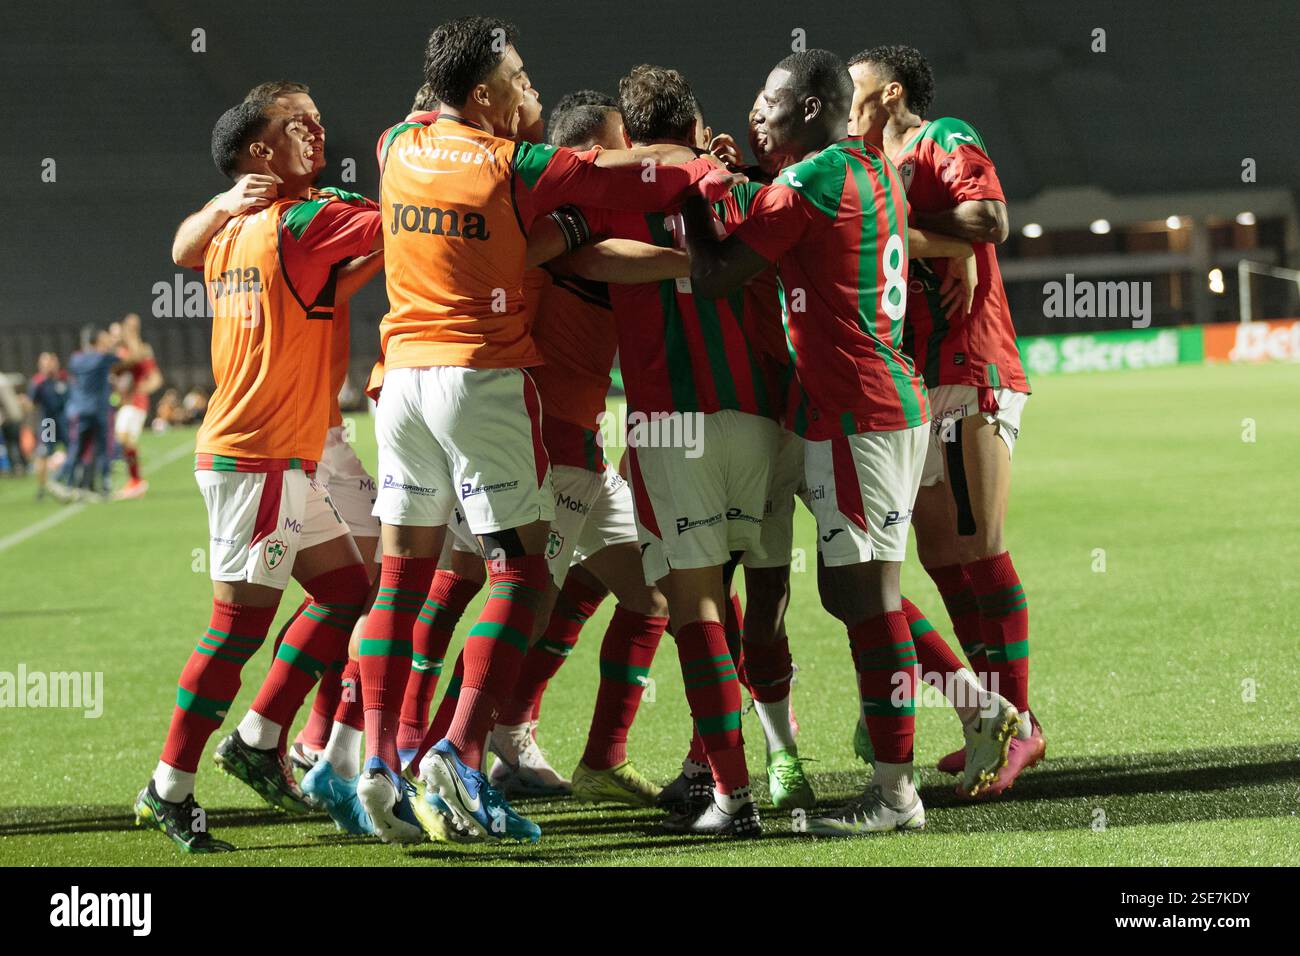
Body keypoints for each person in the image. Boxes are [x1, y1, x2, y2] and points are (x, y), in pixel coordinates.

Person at [360, 15, 733, 846]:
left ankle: (383, 761)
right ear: (486, 95)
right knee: (521, 578)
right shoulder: (515, 166)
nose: (528, 88)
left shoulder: (395, 145)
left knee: (409, 585)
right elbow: (616, 178)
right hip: (485, 383)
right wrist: (695, 166)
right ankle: (458, 752)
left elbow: (545, 225)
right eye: (519, 78)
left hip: (401, 380)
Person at [681, 49, 1017, 835]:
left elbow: (717, 273)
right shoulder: (869, 170)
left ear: (806, 108)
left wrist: (697, 188)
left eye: (769, 100)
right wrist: (745, 183)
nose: (756, 112)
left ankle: (896, 795)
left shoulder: (814, 179)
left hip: (854, 413)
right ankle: (973, 706)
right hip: (875, 404)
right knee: (858, 593)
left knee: (866, 602)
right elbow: (802, 224)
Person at [135, 96, 383, 853]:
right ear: (256, 154)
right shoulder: (294, 224)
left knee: (347, 589)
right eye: (293, 124)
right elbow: (409, 225)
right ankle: (168, 786)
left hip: (280, 459)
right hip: (258, 458)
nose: (315, 128)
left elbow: (325, 288)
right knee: (237, 627)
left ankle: (256, 737)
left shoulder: (231, 232)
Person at [847, 45, 1043, 795]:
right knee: (940, 557)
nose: (847, 98)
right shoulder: (864, 166)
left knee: (983, 548)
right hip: (921, 380)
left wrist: (920, 218)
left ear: (891, 91)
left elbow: (989, 217)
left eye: (857, 88)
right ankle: (991, 713)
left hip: (972, 366)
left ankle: (1018, 726)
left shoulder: (944, 138)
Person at [50, 327, 118, 500]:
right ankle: (103, 485)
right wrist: (115, 339)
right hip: (98, 409)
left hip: (77, 410)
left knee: (76, 448)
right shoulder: (102, 358)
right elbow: (121, 358)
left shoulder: (76, 359)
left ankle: (63, 480)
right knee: (103, 449)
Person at [112, 312, 162, 499]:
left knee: (124, 437)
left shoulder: (139, 351)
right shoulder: (119, 352)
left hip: (136, 402)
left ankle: (135, 480)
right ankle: (135, 480)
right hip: (125, 403)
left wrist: (143, 388)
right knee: (125, 440)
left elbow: (155, 378)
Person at [26, 352, 69, 498]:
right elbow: (31, 404)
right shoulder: (38, 382)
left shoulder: (64, 378)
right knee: (43, 453)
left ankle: (71, 480)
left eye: (52, 362)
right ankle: (42, 488)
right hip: (48, 423)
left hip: (64, 420)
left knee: (74, 449)